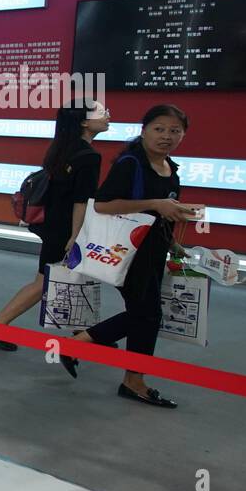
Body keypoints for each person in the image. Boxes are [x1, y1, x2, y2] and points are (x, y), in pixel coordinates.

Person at [61, 104, 200, 408]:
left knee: (146, 315)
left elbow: (162, 211)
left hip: (154, 250)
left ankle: (115, 368)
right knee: (146, 315)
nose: (166, 136)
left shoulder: (170, 168)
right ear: (144, 130)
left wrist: (174, 242)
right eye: (159, 129)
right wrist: (155, 204)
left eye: (174, 131)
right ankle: (92, 353)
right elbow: (102, 205)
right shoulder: (131, 163)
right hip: (129, 252)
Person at [0, 102, 109, 350]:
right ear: (84, 122)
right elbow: (80, 201)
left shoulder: (61, 149)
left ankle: (83, 332)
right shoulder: (89, 156)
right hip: (66, 228)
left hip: (52, 223)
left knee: (71, 276)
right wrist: (75, 235)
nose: (107, 116)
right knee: (44, 281)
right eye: (101, 112)